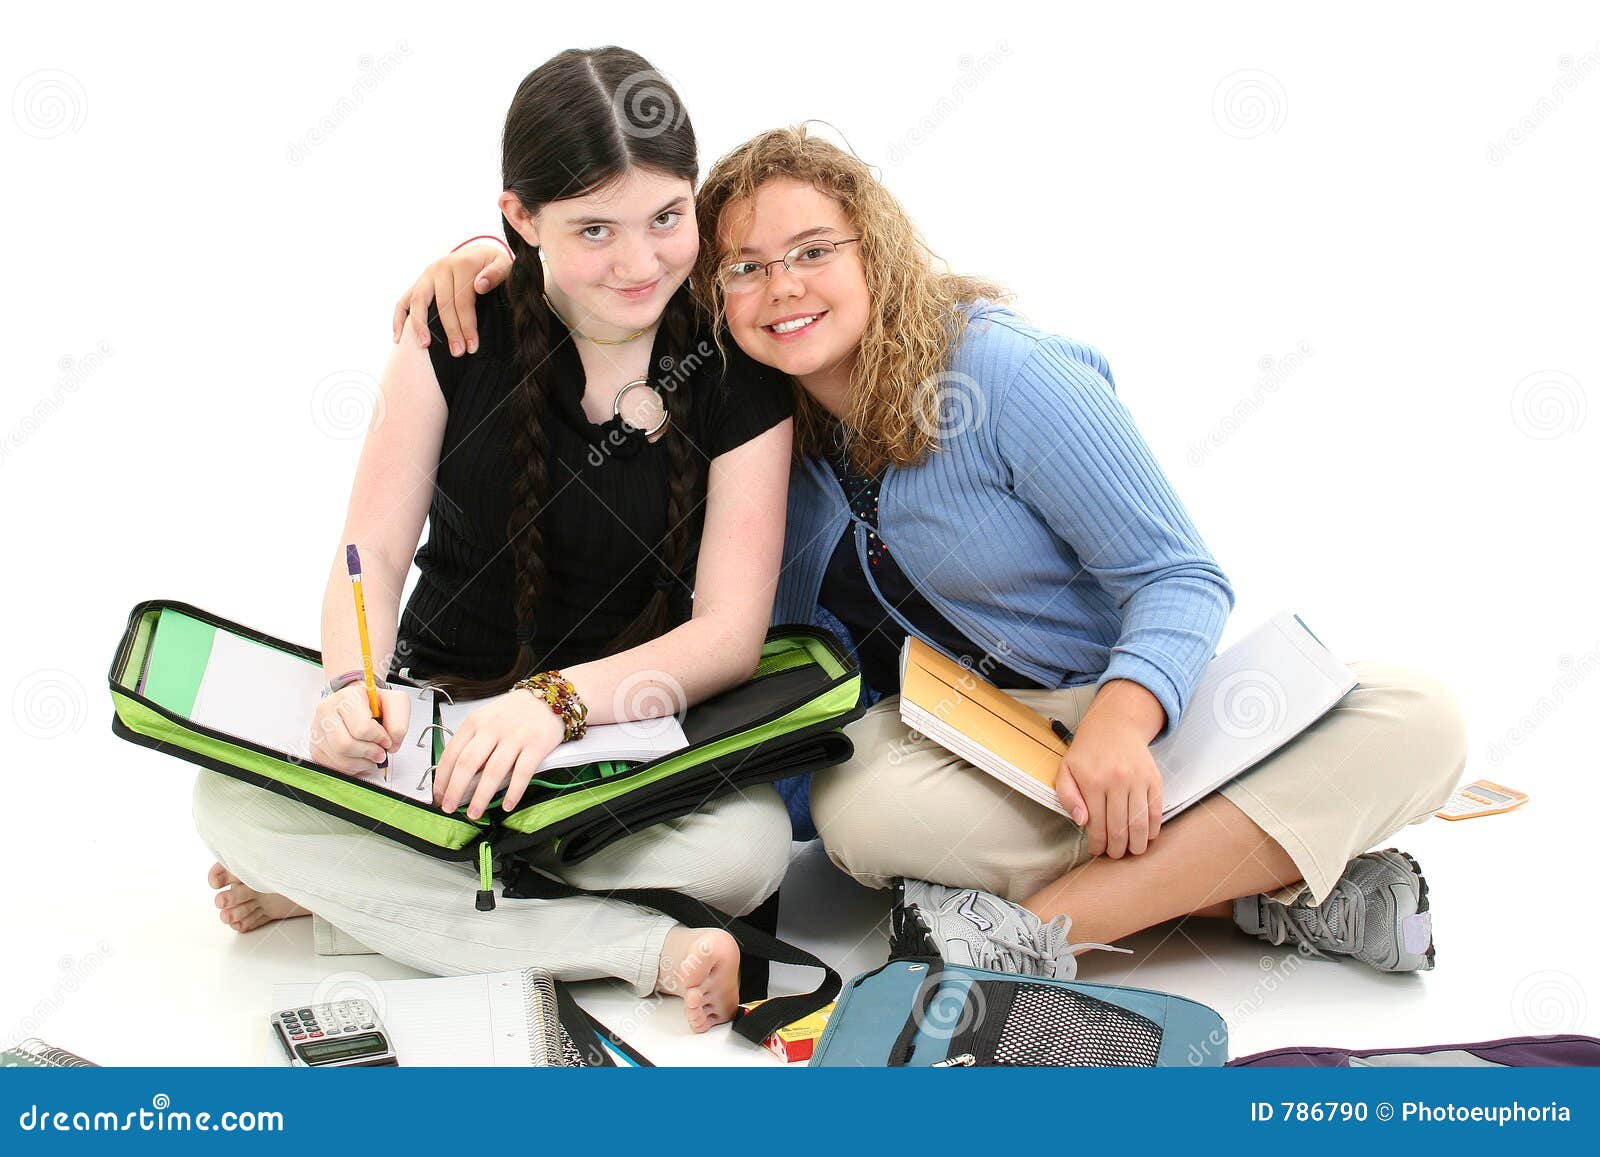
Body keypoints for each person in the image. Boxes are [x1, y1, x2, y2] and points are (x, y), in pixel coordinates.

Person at [399, 126, 1468, 981]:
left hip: (1131, 720)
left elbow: (1178, 578)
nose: (783, 288)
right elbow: (608, 298)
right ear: (711, 298)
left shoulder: (1001, 372)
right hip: (976, 759)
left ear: (873, 249)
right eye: (746, 268)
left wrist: (1121, 721)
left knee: (1419, 716)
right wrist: (496, 266)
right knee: (857, 810)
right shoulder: (750, 439)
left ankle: (1034, 937)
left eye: (813, 251)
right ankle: (1258, 883)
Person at [194, 47, 796, 1034]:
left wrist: (554, 706)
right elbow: (369, 555)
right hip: (437, 727)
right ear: (520, 218)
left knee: (749, 851)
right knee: (226, 802)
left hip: (615, 748)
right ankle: (641, 948)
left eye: (665, 217)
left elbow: (729, 634)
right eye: (593, 229)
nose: (639, 262)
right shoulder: (454, 327)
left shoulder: (737, 367)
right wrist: (349, 687)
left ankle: (366, 901)